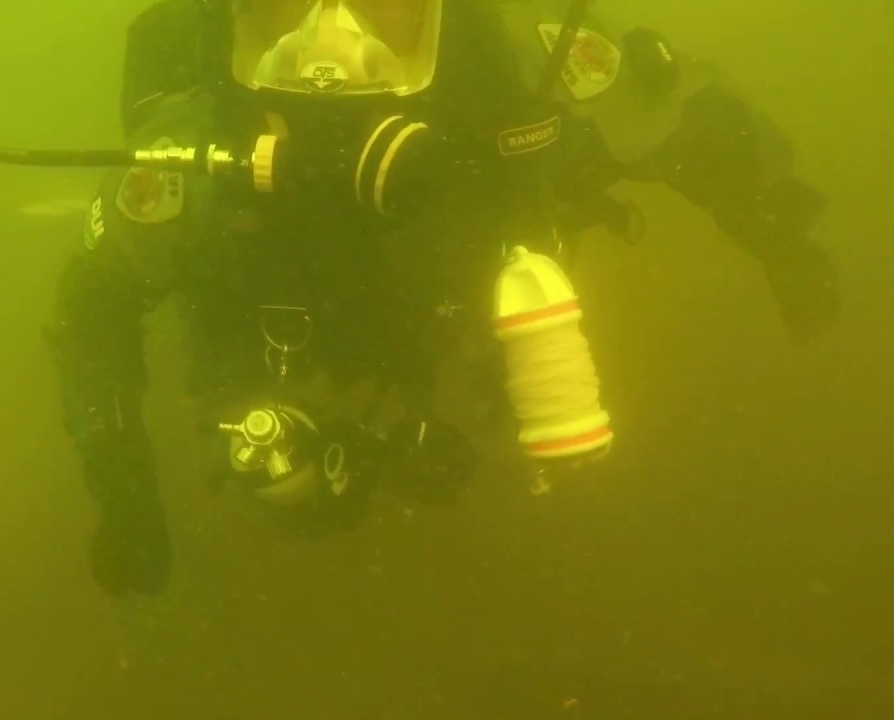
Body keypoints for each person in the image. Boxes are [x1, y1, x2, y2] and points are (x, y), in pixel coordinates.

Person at [45, 0, 839, 597]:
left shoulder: (523, 80)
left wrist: (790, 246)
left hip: (474, 351)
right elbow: (93, 310)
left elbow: (695, 126)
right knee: (284, 487)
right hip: (279, 363)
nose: (331, 44)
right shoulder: (197, 136)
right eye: (290, 3)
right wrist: (126, 498)